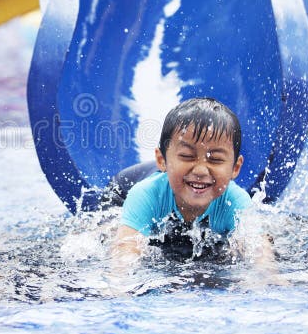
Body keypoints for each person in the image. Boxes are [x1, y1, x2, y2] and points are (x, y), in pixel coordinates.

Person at [112, 97, 276, 266]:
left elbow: (260, 255)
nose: (200, 170)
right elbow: (124, 255)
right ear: (162, 160)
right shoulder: (145, 195)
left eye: (216, 159)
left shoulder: (235, 202)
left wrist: (264, 271)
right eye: (187, 156)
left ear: (235, 167)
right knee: (109, 232)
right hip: (125, 188)